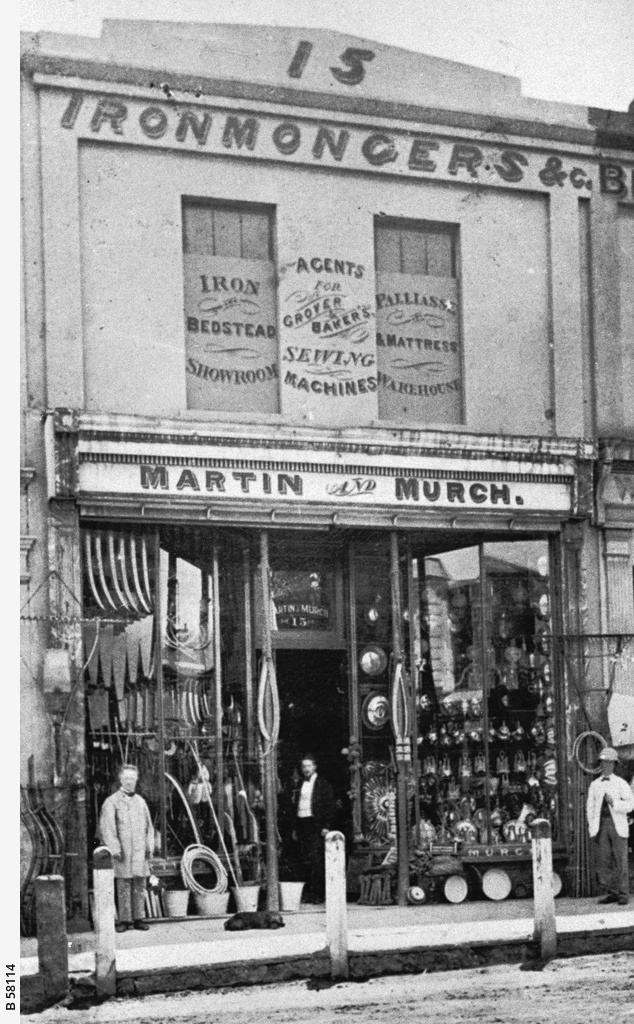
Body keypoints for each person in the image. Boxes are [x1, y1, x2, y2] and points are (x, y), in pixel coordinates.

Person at [99, 764, 154, 931]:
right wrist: (114, 848)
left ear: (136, 780)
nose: (130, 781)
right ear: (121, 779)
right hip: (123, 851)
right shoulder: (111, 802)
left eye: (132, 778)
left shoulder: (141, 802)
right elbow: (107, 828)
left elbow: (149, 827)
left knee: (139, 884)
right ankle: (124, 920)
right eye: (126, 778)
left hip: (139, 850)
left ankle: (138, 918)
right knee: (123, 884)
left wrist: (149, 846)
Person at [586, 746, 634, 906]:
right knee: (605, 861)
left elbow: (630, 805)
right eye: (603, 762)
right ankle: (612, 892)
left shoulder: (621, 783)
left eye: (608, 763)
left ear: (614, 764)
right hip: (601, 825)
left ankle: (623, 893)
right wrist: (592, 824)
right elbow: (590, 807)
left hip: (617, 824)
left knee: (621, 860)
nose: (605, 765)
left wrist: (614, 803)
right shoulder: (595, 784)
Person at [293, 754, 337, 904]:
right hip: (302, 822)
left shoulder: (322, 784)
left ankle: (320, 893)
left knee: (317, 859)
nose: (306, 769)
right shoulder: (300, 783)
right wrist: (295, 828)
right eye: (303, 766)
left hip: (316, 824)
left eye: (309, 766)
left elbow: (330, 806)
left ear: (315, 767)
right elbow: (296, 805)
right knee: (305, 859)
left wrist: (326, 826)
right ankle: (308, 893)